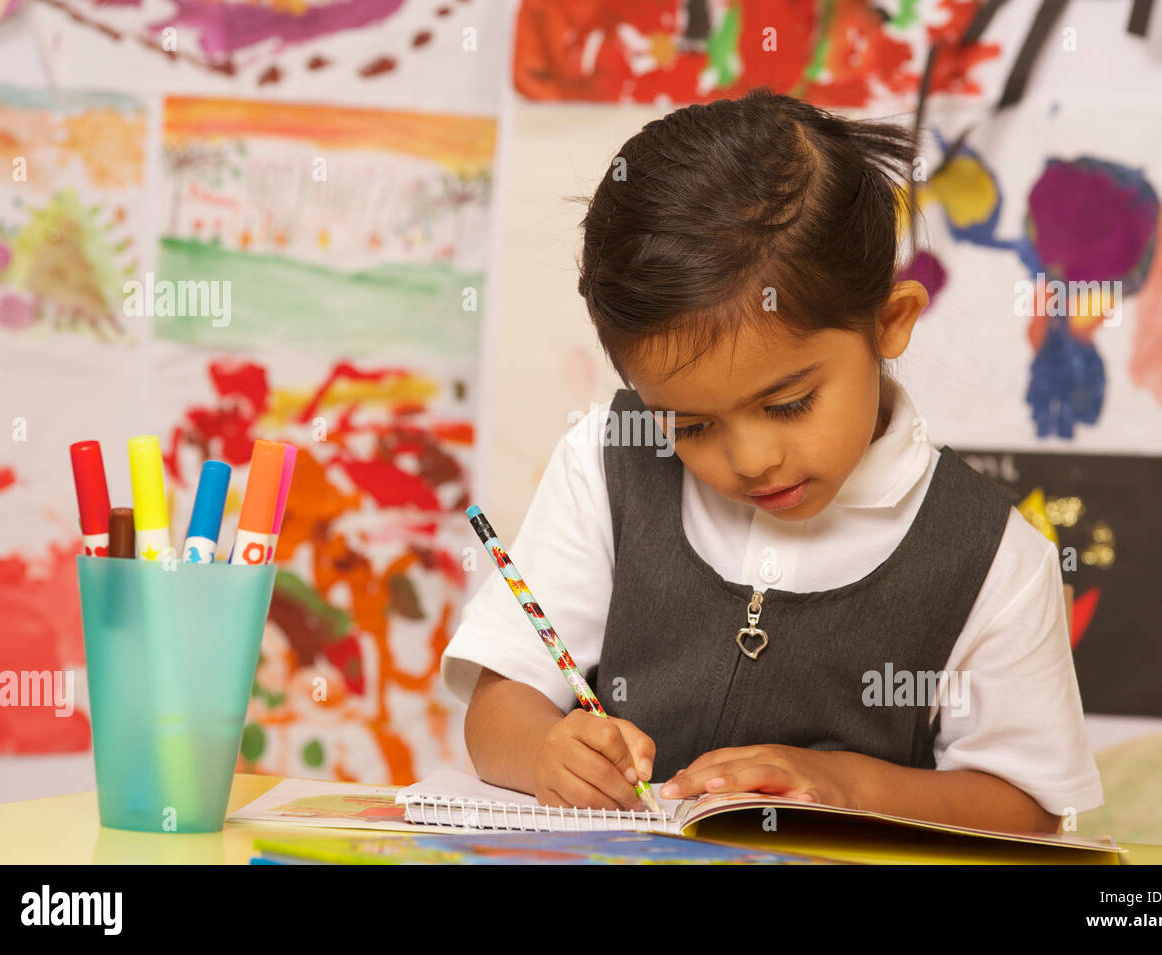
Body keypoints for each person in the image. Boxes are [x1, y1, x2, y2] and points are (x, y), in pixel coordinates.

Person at [441, 88, 1103, 834]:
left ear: (889, 323)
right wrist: (545, 751)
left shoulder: (992, 558)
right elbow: (497, 710)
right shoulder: (608, 464)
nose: (751, 460)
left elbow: (1027, 808)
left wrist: (843, 784)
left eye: (788, 404)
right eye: (688, 424)